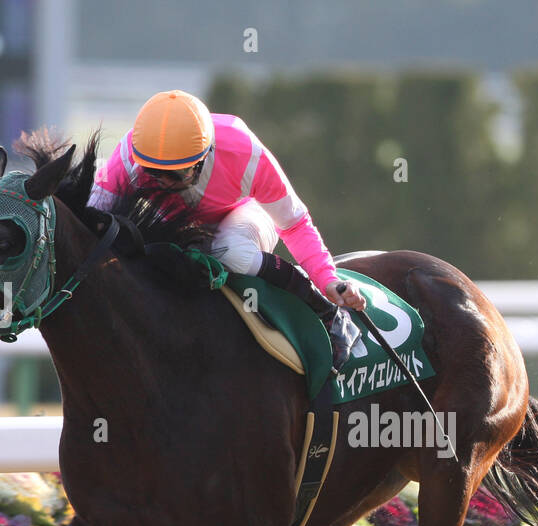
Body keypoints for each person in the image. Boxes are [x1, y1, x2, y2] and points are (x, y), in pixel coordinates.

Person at [89, 90, 365, 368]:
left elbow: (294, 225)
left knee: (229, 251)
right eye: (152, 171)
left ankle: (324, 310)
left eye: (176, 174)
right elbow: (89, 222)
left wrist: (327, 280)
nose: (162, 182)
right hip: (180, 227)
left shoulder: (245, 152)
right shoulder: (128, 158)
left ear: (204, 157)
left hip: (244, 217)